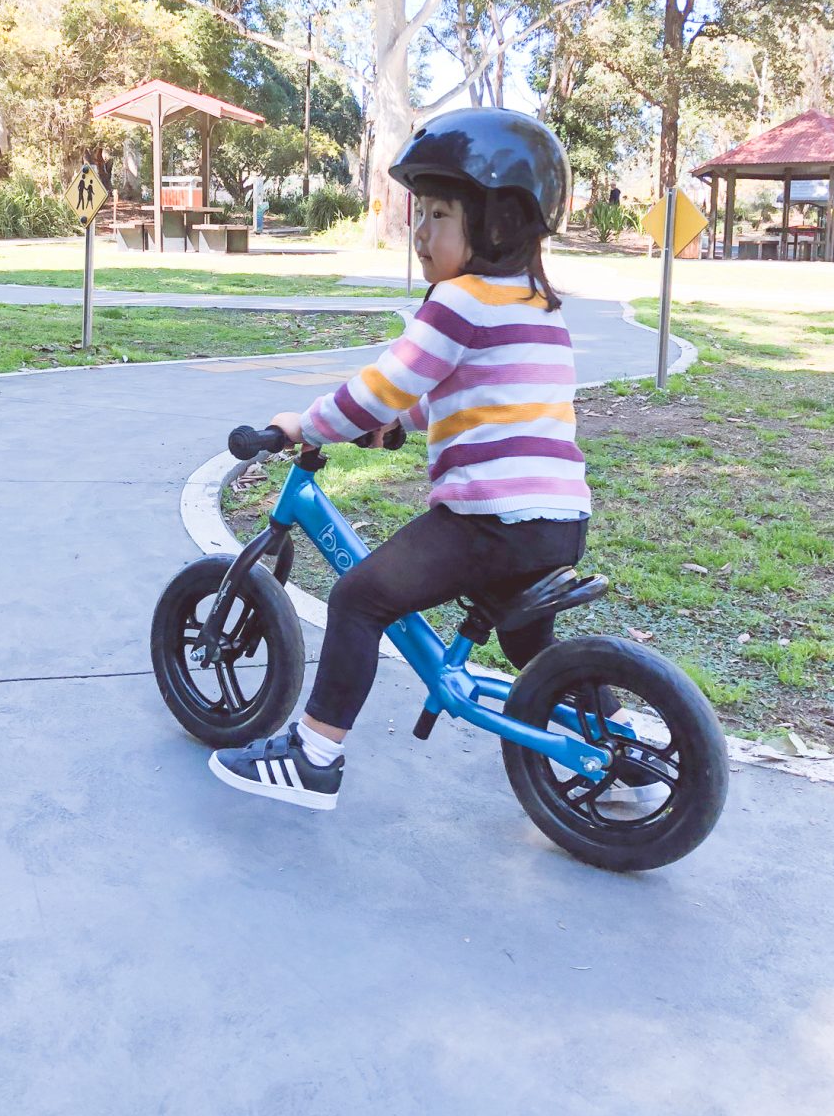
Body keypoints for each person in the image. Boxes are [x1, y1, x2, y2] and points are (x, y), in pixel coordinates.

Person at [208, 109, 590, 811]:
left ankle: (314, 756)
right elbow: (464, 398)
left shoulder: (457, 300)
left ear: (499, 219)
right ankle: (614, 739)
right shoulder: (538, 306)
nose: (420, 233)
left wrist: (306, 422)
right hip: (557, 519)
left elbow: (384, 385)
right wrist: (394, 425)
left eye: (440, 214)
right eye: (421, 214)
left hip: (487, 520)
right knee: (529, 643)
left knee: (359, 597)